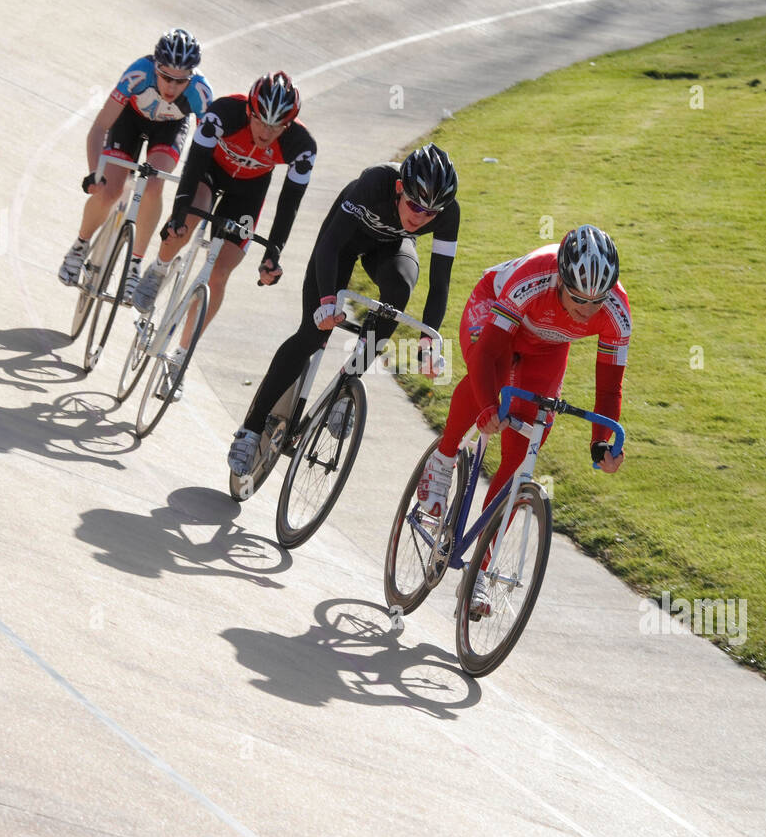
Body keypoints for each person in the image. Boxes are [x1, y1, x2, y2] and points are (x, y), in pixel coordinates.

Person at [417, 225, 630, 616]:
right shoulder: (534, 276)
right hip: (495, 315)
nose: (587, 309)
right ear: (560, 279)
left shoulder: (617, 312)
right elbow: (488, 355)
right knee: (492, 385)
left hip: (547, 347)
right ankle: (444, 459)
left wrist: (601, 442)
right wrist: (486, 407)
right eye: (579, 298)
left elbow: (609, 390)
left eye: (596, 300)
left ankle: (479, 568)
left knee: (518, 461)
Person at [227, 143, 460, 475]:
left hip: (390, 248)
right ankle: (250, 428)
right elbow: (332, 244)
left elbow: (440, 284)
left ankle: (346, 389)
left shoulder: (448, 212)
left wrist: (427, 339)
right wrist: (326, 302)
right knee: (311, 335)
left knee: (399, 287)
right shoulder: (376, 181)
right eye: (414, 206)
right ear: (399, 188)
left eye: (430, 214)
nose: (420, 217)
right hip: (342, 244)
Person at [132, 72, 315, 400]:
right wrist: (177, 216)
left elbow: (289, 203)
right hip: (207, 173)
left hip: (248, 192)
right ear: (250, 112)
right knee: (187, 222)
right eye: (261, 122)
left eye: (277, 128)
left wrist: (273, 253)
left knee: (219, 272)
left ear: (289, 126)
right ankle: (158, 269)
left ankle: (180, 357)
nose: (266, 133)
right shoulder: (224, 113)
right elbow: (193, 164)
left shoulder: (302, 147)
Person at [58, 29, 213, 301]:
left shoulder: (201, 92)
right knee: (109, 190)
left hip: (170, 128)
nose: (172, 87)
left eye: (181, 81)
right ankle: (80, 245)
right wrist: (95, 173)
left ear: (192, 76)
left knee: (154, 185)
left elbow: (206, 151)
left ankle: (135, 265)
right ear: (155, 66)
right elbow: (99, 127)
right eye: (165, 77)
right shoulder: (138, 73)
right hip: (129, 120)